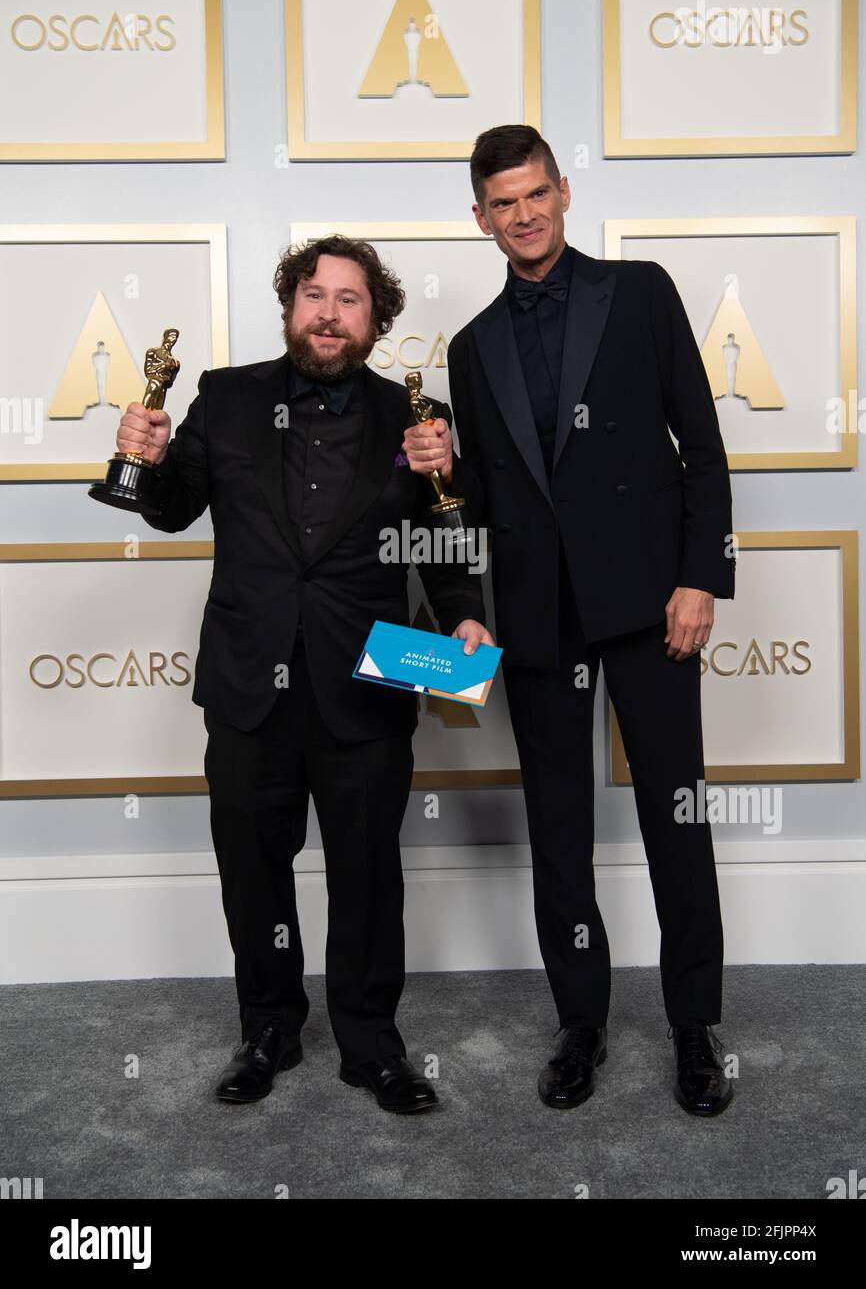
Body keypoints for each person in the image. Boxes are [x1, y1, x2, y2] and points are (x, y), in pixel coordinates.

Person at [115, 235, 491, 1114]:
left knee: (366, 871)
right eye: (313, 295)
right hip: (250, 682)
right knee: (254, 869)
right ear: (290, 306)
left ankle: (371, 1043)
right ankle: (268, 1030)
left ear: (376, 318)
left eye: (349, 299)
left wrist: (465, 608)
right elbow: (170, 513)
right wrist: (148, 457)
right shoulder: (226, 397)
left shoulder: (414, 416)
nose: (328, 312)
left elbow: (438, 532)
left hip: (367, 680)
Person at [404, 125, 736, 1116]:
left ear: (561, 189)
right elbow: (478, 500)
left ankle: (691, 1028)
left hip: (649, 605)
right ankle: (579, 1023)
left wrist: (697, 577)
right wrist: (431, 475)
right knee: (558, 835)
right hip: (542, 622)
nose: (523, 214)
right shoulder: (467, 349)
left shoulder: (638, 292)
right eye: (501, 203)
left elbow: (702, 447)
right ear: (480, 218)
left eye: (535, 193)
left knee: (674, 819)